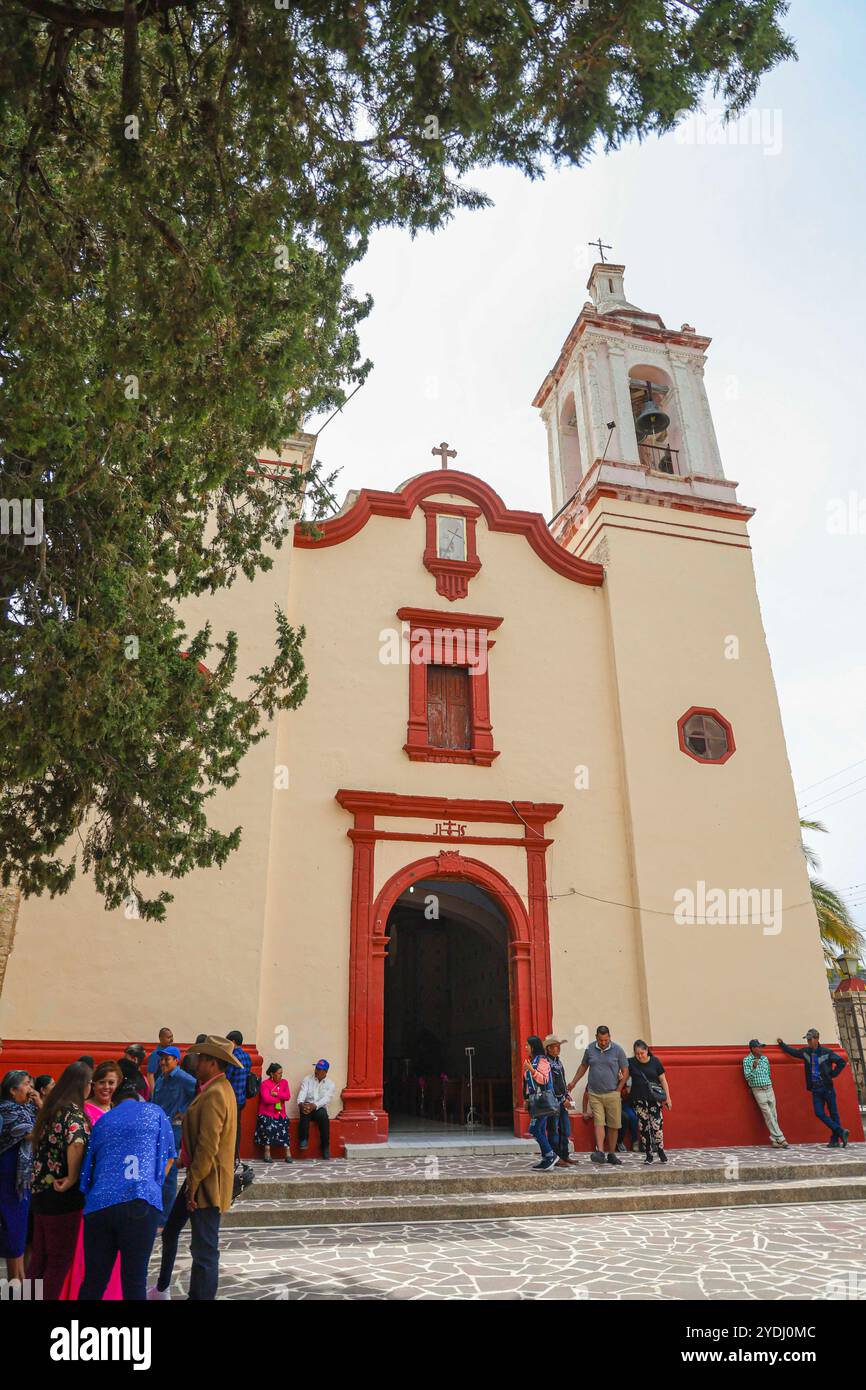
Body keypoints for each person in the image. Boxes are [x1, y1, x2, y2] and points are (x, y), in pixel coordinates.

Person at [149, 1036, 241, 1301]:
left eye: (201, 1059)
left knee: (205, 1250)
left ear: (212, 1063)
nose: (196, 1063)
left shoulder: (215, 1094)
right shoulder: (216, 1089)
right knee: (172, 1231)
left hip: (206, 1184)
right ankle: (163, 1287)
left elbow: (208, 1147)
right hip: (199, 1178)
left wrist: (193, 1185)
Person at [78, 1081, 175, 1301]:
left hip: (100, 1205)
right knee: (134, 1282)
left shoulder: (103, 1121)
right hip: (140, 1202)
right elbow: (169, 1156)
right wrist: (154, 1186)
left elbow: (88, 1171)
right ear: (140, 1099)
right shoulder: (155, 1112)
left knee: (93, 1281)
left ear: (114, 1102)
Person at [58, 1063, 125, 1301]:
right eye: (102, 1082)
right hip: (91, 1189)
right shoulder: (84, 1112)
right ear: (93, 1084)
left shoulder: (119, 1111)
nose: (106, 1087)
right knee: (89, 1248)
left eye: (111, 1082)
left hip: (117, 1191)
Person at [28, 1060, 92, 1300]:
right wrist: (72, 1177)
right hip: (61, 1195)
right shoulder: (74, 1113)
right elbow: (76, 1144)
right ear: (83, 1085)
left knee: (38, 1259)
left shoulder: (50, 1109)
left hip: (40, 1191)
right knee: (58, 1262)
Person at [568, 1025, 628, 1166]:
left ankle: (612, 1153)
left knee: (613, 1125)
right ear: (596, 1037)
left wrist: (619, 1089)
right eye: (601, 1040)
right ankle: (600, 1152)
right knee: (599, 1122)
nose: (603, 1042)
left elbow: (625, 1071)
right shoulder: (590, 1049)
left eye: (606, 1040)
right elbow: (583, 1067)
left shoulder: (618, 1050)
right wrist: (574, 1082)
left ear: (610, 1037)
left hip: (612, 1092)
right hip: (594, 1093)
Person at [777, 1030, 849, 1147]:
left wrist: (833, 1074)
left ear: (817, 1039)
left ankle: (835, 1140)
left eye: (810, 1039)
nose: (808, 1042)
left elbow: (841, 1062)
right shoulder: (806, 1052)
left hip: (828, 1088)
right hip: (816, 1089)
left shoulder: (827, 1052)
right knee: (819, 1113)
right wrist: (782, 1044)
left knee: (833, 1114)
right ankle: (841, 1131)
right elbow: (794, 1052)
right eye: (807, 1039)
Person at [152, 1045, 196, 1222]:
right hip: (159, 1129)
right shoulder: (162, 1078)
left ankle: (165, 1218)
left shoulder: (183, 1078)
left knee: (169, 1174)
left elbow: (199, 1093)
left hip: (173, 1130)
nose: (163, 1062)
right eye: (161, 1059)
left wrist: (185, 1110)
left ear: (176, 1060)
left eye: (167, 1059)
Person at [0, 1070, 35, 1284]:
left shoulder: (24, 1109)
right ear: (13, 1090)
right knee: (13, 1232)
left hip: (21, 1180)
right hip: (8, 1177)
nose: (30, 1088)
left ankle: (21, 1284)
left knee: (21, 1232)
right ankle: (16, 1286)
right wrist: (45, 1106)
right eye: (26, 1084)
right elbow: (35, 1132)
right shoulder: (8, 1110)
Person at [628, 1041, 671, 1163]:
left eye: (642, 1053)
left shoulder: (655, 1061)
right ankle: (648, 1153)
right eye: (637, 1054)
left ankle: (660, 1150)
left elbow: (663, 1080)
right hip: (639, 1100)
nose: (640, 1056)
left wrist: (668, 1097)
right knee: (644, 1127)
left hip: (654, 1100)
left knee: (657, 1125)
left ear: (647, 1050)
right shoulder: (631, 1063)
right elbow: (624, 1073)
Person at [523, 1036, 560, 1170]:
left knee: (534, 1129)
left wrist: (531, 1070)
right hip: (535, 1102)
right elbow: (528, 1084)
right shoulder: (532, 1061)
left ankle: (550, 1155)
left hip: (543, 1102)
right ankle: (546, 1158)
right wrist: (526, 1099)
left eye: (527, 1045)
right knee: (540, 1130)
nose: (525, 1047)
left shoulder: (542, 1060)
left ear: (533, 1047)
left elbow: (544, 1079)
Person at [742, 1040, 788, 1148]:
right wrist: (753, 1067)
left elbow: (768, 1073)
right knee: (768, 1114)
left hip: (768, 1088)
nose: (761, 1049)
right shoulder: (747, 1060)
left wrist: (769, 1083)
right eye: (759, 1047)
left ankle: (774, 1140)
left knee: (773, 1114)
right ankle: (781, 1138)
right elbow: (747, 1077)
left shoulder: (765, 1059)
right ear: (753, 1049)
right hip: (758, 1089)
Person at [544, 1034, 576, 1164]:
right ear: (549, 1048)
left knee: (565, 1129)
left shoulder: (558, 1062)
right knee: (553, 1129)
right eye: (555, 1046)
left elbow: (561, 1081)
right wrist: (563, 1099)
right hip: (554, 1102)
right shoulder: (547, 1064)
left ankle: (564, 1154)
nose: (558, 1049)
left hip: (562, 1100)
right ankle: (556, 1156)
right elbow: (552, 1084)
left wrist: (566, 1094)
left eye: (558, 1046)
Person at [297, 1059, 335, 1160]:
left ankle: (325, 1146)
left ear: (326, 1072)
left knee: (323, 1116)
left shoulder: (330, 1084)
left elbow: (326, 1099)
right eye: (316, 1068)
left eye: (319, 1069)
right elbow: (303, 1092)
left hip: (319, 1108)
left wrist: (315, 1105)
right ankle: (303, 1139)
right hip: (308, 1105)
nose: (316, 1071)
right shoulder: (307, 1079)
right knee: (304, 1110)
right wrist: (301, 1104)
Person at [255, 1063, 292, 1163]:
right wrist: (279, 1099)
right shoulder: (265, 1084)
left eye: (282, 1073)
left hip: (280, 1114)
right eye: (279, 1073)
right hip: (267, 1114)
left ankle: (288, 1153)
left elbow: (287, 1096)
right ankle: (267, 1152)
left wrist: (276, 1094)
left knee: (284, 1125)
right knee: (268, 1125)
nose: (281, 1075)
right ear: (272, 1074)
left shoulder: (284, 1082)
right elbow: (266, 1099)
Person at [225, 1029, 252, 1163]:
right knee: (237, 1127)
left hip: (230, 1098)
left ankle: (228, 1155)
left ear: (233, 1042)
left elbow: (226, 1077)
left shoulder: (232, 1057)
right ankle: (236, 1154)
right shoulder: (247, 1057)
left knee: (228, 1128)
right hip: (241, 1098)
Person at [146, 1028, 175, 1095]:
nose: (171, 1039)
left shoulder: (172, 1052)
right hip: (160, 1091)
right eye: (168, 1037)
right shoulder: (155, 1055)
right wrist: (153, 1093)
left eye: (172, 1036)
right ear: (161, 1038)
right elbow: (150, 1075)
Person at [618, 1077, 641, 1154]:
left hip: (639, 1101)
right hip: (626, 1102)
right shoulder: (622, 1075)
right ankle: (635, 1141)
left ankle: (649, 1143)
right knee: (632, 1117)